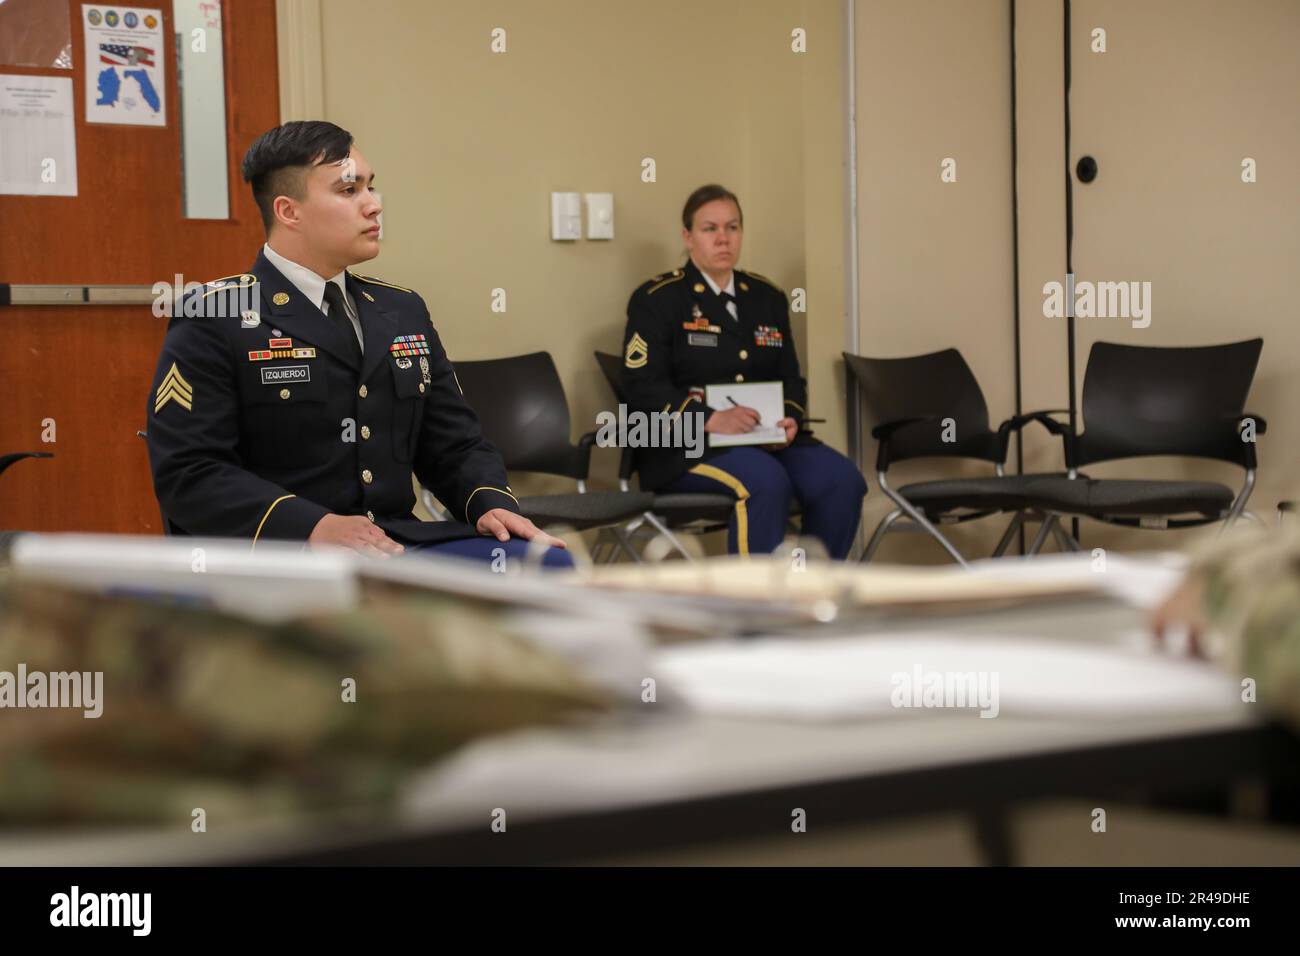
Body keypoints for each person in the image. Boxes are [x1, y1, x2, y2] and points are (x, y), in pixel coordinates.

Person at [146, 121, 570, 567]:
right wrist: (310, 525)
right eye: (350, 191)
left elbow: (453, 443)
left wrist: (489, 502)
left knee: (547, 565)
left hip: (397, 542)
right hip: (282, 552)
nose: (374, 205)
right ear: (290, 212)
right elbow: (190, 473)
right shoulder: (215, 314)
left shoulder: (401, 309)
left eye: (371, 187)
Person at [619, 184, 867, 558]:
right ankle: (757, 608)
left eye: (732, 228)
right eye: (710, 229)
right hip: (686, 446)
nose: (723, 239)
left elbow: (791, 379)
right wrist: (710, 419)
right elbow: (642, 388)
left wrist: (789, 420)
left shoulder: (766, 297)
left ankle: (811, 598)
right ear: (688, 237)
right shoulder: (658, 299)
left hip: (765, 440)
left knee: (843, 481)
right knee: (764, 482)